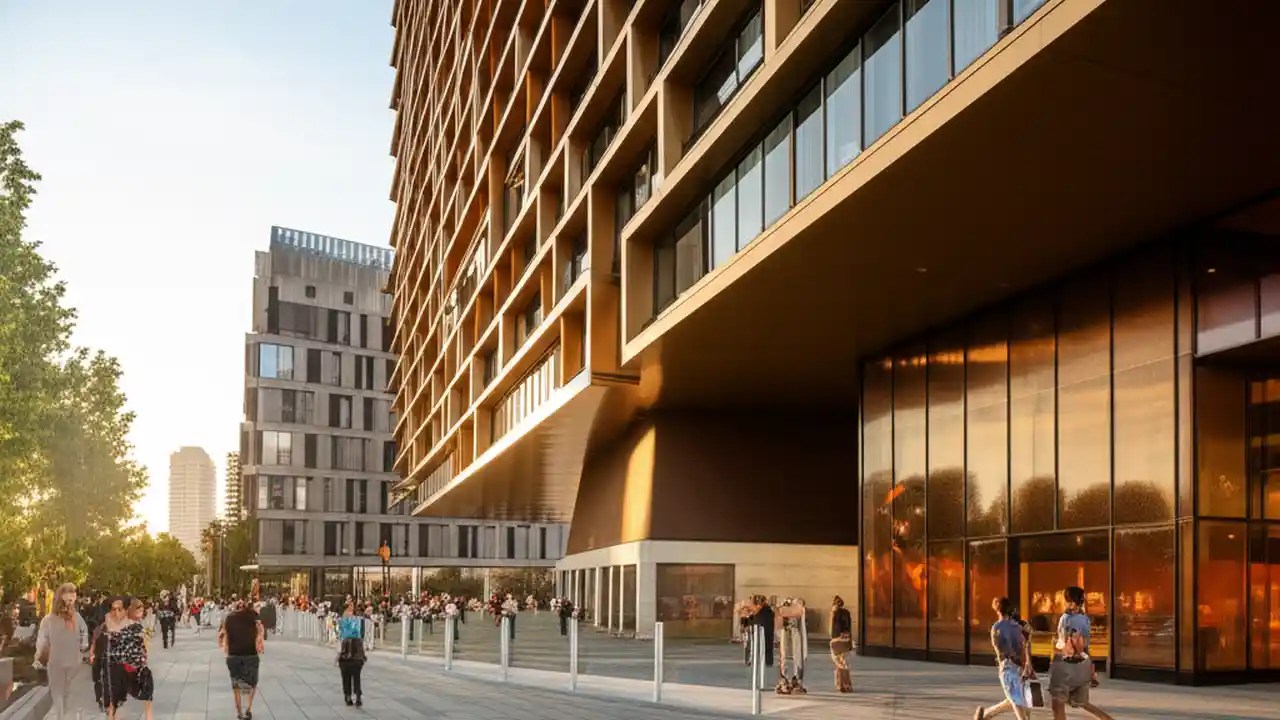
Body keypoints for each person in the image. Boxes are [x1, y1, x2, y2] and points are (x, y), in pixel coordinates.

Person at [1048, 586, 1113, 720]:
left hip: (1066, 665)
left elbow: (1065, 643)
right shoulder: (1085, 619)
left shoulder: (1065, 619)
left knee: (1057, 703)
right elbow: (1085, 646)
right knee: (1082, 702)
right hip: (1082, 664)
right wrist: (1091, 670)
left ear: (1069, 601)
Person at [36, 582, 89, 719]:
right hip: (56, 661)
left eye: (74, 593)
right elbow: (42, 639)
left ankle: (63, 715)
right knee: (58, 693)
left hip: (73, 661)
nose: (72, 595)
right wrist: (39, 656)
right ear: (61, 596)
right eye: (68, 593)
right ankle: (60, 716)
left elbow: (84, 632)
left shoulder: (77, 617)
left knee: (66, 693)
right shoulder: (49, 619)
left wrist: (83, 646)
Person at [974, 597, 1033, 720]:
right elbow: (1025, 645)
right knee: (1016, 700)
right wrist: (1026, 664)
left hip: (1008, 668)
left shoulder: (996, 628)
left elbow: (999, 650)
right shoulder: (1018, 626)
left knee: (1016, 701)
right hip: (1020, 667)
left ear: (997, 610)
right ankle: (986, 715)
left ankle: (986, 715)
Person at [220, 599, 265, 720]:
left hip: (233, 655)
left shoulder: (228, 618)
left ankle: (239, 711)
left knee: (236, 685)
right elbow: (261, 632)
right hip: (250, 653)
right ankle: (247, 709)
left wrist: (226, 651)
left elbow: (225, 636)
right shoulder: (253, 616)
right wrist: (260, 643)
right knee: (252, 683)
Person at [336, 603, 366, 707]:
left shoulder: (341, 623)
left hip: (345, 655)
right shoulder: (358, 621)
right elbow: (362, 637)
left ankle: (348, 696)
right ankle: (357, 696)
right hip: (357, 654)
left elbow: (339, 640)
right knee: (356, 677)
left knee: (346, 677)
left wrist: (337, 657)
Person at [829, 595, 853, 693]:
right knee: (844, 663)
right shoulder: (847, 613)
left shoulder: (833, 613)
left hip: (835, 640)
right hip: (845, 640)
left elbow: (830, 631)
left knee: (839, 664)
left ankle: (840, 684)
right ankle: (847, 685)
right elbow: (849, 627)